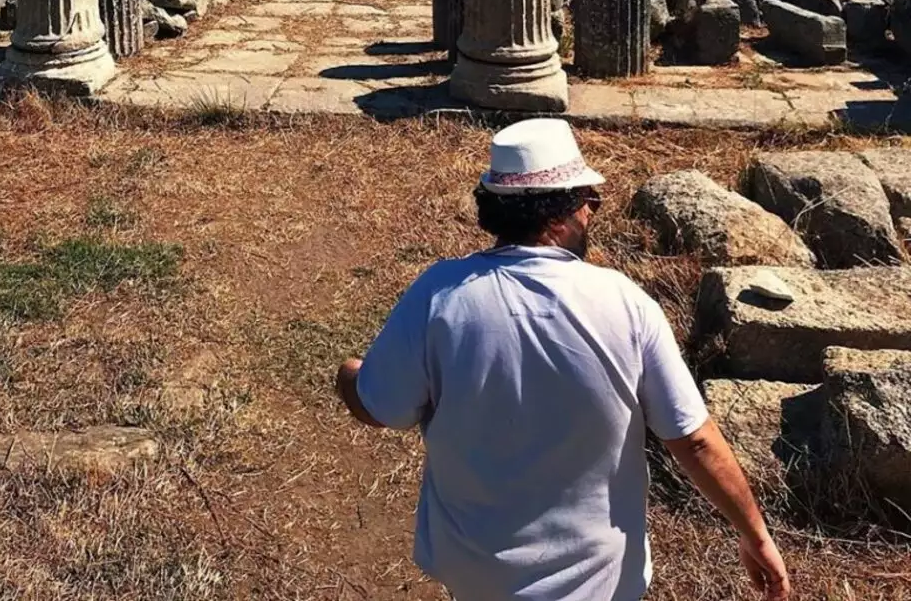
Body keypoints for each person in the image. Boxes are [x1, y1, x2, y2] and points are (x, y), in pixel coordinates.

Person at [336, 118, 790, 601]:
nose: (592, 215)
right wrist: (755, 534)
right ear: (560, 216)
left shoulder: (440, 295)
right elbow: (694, 441)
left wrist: (349, 376)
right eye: (588, 203)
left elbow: (379, 408)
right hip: (600, 580)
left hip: (477, 572)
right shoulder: (625, 303)